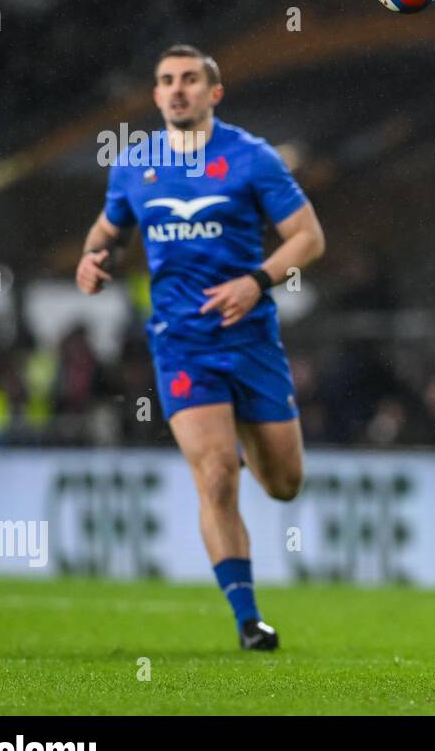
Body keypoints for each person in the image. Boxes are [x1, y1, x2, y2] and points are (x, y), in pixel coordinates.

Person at [76, 45, 325, 650]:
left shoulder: (252, 158)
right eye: (166, 81)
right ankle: (248, 621)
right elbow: (107, 231)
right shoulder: (135, 165)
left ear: (214, 93)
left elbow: (308, 238)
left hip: (252, 341)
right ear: (157, 96)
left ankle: (243, 444)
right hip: (180, 344)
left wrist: (256, 280)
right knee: (215, 474)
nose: (177, 89)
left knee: (285, 483)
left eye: (190, 79)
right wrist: (92, 259)